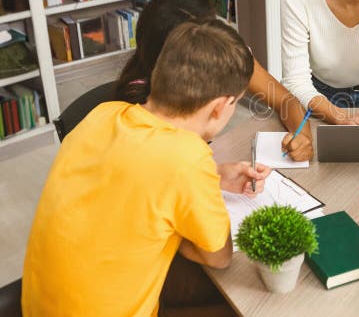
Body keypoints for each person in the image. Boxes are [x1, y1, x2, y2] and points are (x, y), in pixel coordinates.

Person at [22, 20, 270, 316]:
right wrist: (181, 235)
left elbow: (132, 175)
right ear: (219, 107)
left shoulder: (104, 114)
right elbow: (220, 257)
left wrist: (215, 176)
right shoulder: (187, 157)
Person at [117, 0, 312, 161]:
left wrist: (302, 137)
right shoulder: (138, 115)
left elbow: (286, 101)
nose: (216, 41)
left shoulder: (224, 56)